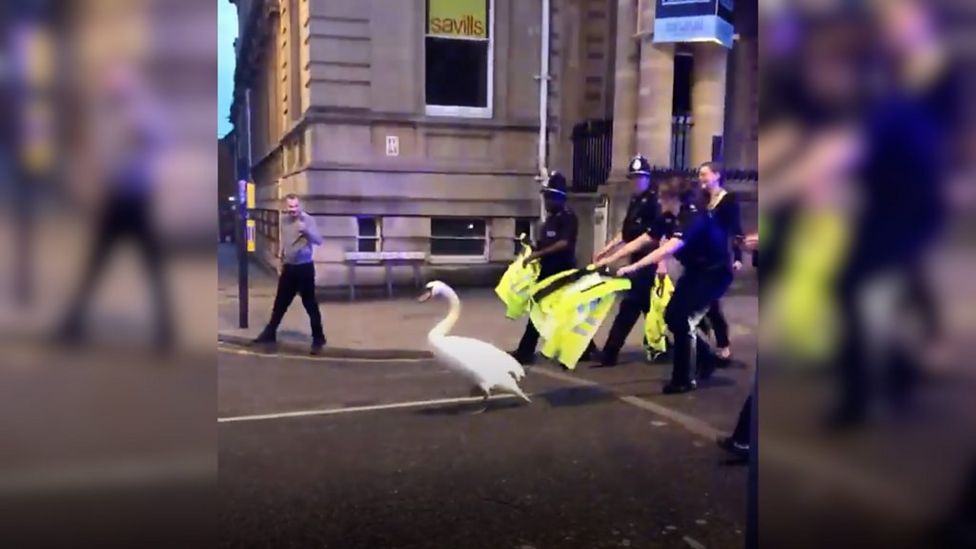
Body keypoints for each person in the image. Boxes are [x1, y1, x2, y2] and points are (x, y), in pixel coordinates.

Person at [57, 63, 173, 352]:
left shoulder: (145, 112)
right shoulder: (106, 118)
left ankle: (165, 330)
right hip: (114, 199)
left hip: (136, 200)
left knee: (151, 268)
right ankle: (72, 324)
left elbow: (161, 140)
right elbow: (98, 154)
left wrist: (139, 135)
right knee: (96, 265)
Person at [595, 176, 731, 394]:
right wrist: (610, 258)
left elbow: (668, 249)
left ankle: (684, 378)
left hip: (715, 272)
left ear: (674, 198)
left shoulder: (692, 217)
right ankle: (707, 361)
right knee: (672, 317)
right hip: (696, 271)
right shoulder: (668, 216)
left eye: (662, 197)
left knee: (681, 318)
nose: (658, 201)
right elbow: (644, 239)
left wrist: (634, 266)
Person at [510, 172, 595, 365]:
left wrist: (537, 254)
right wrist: (531, 248)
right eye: (545, 196)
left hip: (561, 271)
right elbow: (544, 244)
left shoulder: (568, 218)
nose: (546, 201)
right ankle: (585, 348)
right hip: (547, 271)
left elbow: (563, 243)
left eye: (550, 197)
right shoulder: (549, 219)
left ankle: (526, 351)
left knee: (549, 310)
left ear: (560, 197)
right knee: (556, 311)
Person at [590, 155, 667, 367]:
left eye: (640, 177)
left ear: (648, 178)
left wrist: (661, 262)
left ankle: (610, 352)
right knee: (648, 309)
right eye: (633, 177)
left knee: (632, 307)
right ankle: (668, 346)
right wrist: (606, 250)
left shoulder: (654, 202)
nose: (636, 182)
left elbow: (659, 235)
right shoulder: (635, 201)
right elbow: (626, 233)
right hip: (636, 260)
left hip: (649, 262)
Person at [253, 194, 327, 354]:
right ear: (286, 207)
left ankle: (319, 337)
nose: (293, 210)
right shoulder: (284, 220)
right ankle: (270, 333)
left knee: (310, 304)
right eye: (290, 207)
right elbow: (283, 241)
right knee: (280, 303)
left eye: (295, 206)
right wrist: (280, 259)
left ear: (299, 206)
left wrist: (306, 231)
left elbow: (319, 240)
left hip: (304, 268)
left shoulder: (307, 220)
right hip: (289, 267)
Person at [698, 162, 745, 364]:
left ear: (716, 175)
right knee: (705, 303)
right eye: (700, 175)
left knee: (711, 303)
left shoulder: (728, 200)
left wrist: (738, 257)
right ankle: (709, 343)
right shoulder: (700, 200)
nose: (701, 178)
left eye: (704, 174)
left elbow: (736, 229)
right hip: (701, 258)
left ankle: (723, 346)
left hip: (720, 258)